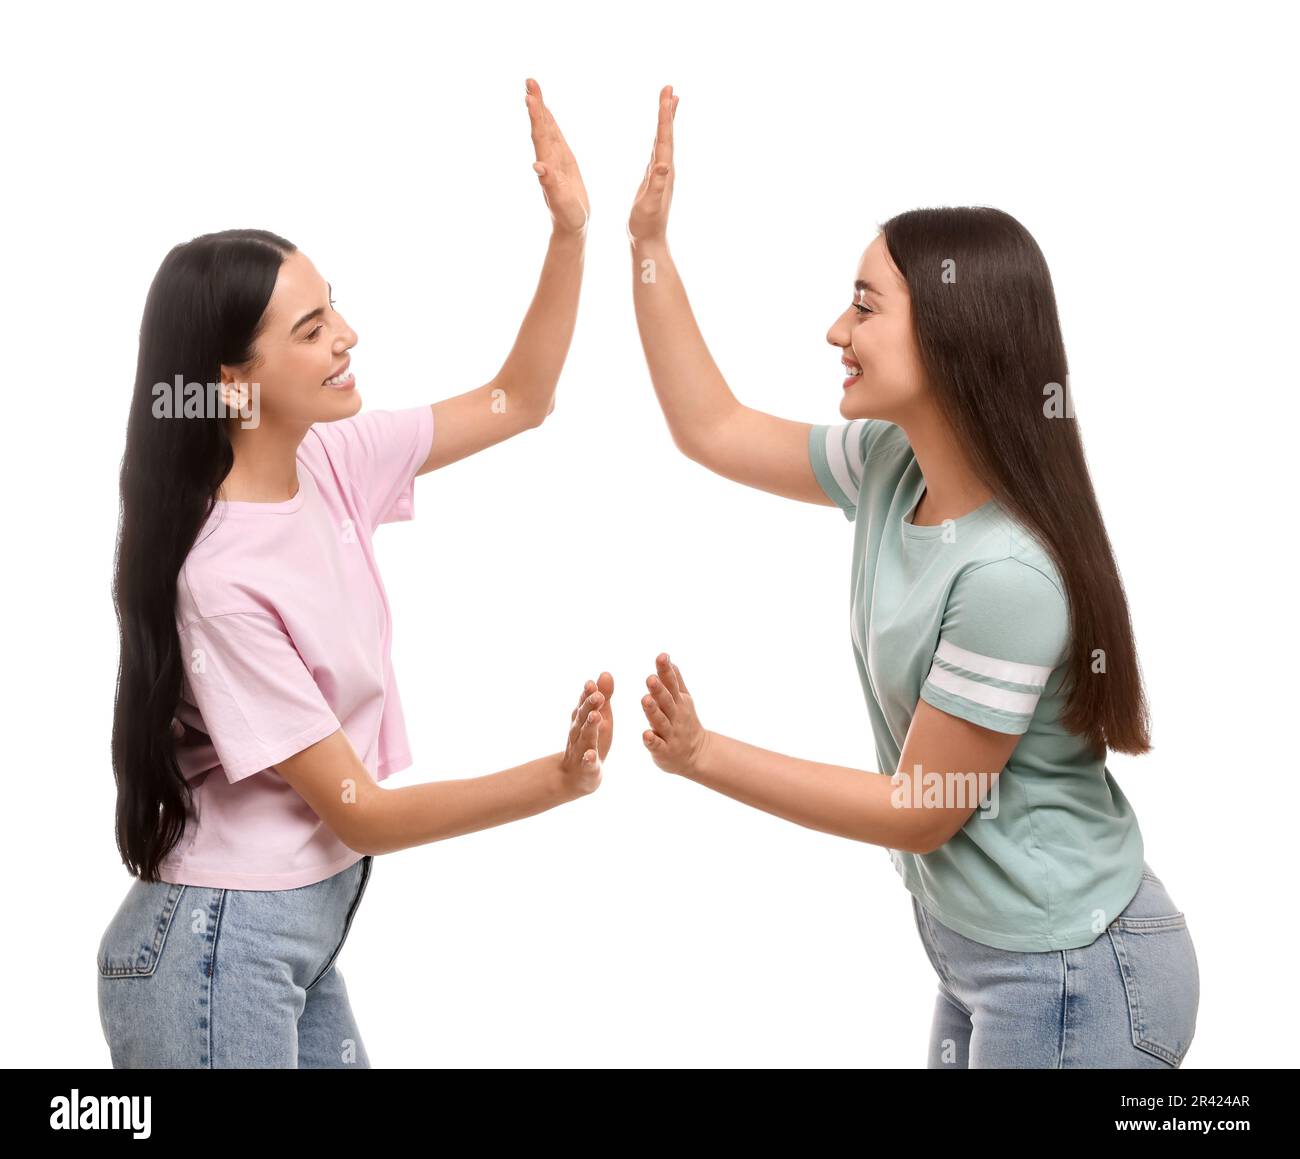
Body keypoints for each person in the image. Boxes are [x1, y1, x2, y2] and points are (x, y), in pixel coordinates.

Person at [627, 84, 1199, 1068]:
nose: (832, 331)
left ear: (949, 333)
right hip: (987, 954)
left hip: (1069, 973)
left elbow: (922, 805)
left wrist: (703, 754)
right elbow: (711, 427)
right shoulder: (893, 466)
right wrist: (648, 246)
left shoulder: (1008, 574)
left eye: (862, 305)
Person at [97, 79, 614, 1068]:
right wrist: (554, 779)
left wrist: (568, 234)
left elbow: (520, 397)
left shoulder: (329, 460)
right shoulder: (220, 579)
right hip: (214, 953)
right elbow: (360, 810)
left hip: (289, 941)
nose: (347, 336)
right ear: (232, 385)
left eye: (333, 308)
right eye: (310, 329)